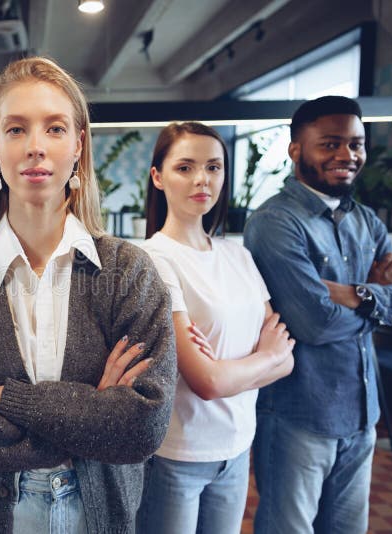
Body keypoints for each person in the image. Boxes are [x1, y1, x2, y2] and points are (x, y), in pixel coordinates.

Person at [0, 56, 177, 533]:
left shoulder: (129, 271)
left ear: (78, 145)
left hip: (98, 512)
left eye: (54, 129)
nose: (35, 146)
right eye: (16, 130)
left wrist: (4, 400)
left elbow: (143, 426)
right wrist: (92, 414)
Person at [245, 95, 392, 533]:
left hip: (362, 416)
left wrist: (361, 293)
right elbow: (315, 323)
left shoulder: (365, 220)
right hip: (298, 416)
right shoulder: (275, 222)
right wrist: (381, 298)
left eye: (356, 144)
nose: (347, 155)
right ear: (296, 150)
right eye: (330, 144)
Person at [135, 122, 294, 534]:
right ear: (158, 176)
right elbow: (205, 381)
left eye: (213, 167)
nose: (202, 179)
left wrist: (247, 366)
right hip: (178, 454)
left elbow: (286, 357)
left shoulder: (237, 255)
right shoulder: (153, 260)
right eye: (185, 167)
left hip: (238, 447)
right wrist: (265, 358)